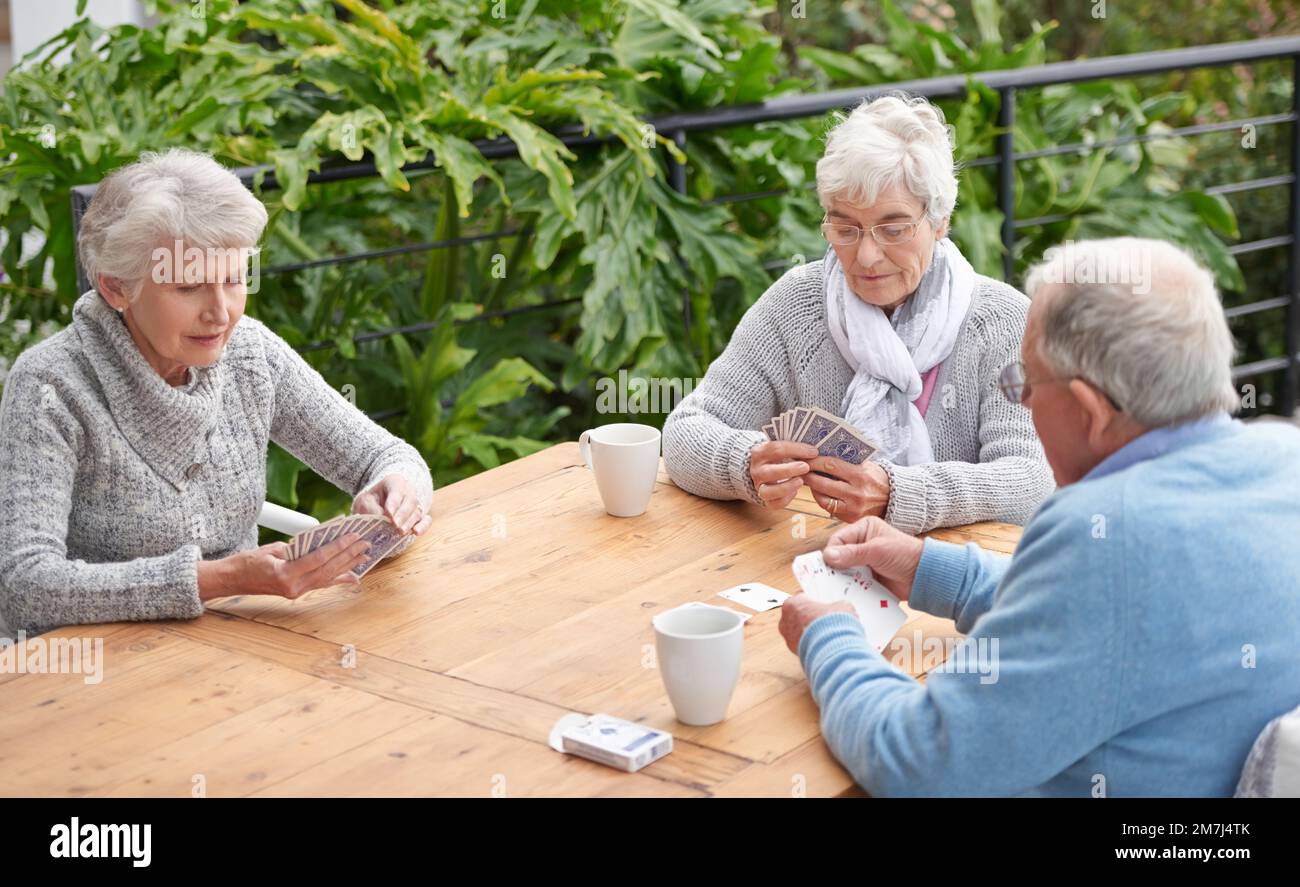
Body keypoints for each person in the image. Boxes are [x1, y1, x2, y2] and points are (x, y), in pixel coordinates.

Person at [779, 237, 1300, 796]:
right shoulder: (1282, 457)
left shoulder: (1103, 535)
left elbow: (919, 764)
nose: (1022, 402)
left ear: (1090, 410)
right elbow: (1121, 618)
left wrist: (829, 638)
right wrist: (930, 569)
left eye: (1025, 383)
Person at [0, 148, 433, 636]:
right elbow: (24, 586)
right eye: (189, 287)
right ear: (116, 288)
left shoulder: (249, 352)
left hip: (239, 644)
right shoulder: (51, 385)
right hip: (96, 670)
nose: (221, 312)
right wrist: (217, 579)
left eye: (233, 278)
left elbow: (387, 455)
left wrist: (398, 491)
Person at [662, 93, 1053, 534]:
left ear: (940, 219)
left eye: (893, 228)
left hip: (955, 581)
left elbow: (1031, 481)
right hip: (816, 567)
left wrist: (900, 494)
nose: (867, 256)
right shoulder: (795, 304)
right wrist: (744, 462)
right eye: (844, 227)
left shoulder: (1004, 322)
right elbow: (685, 432)